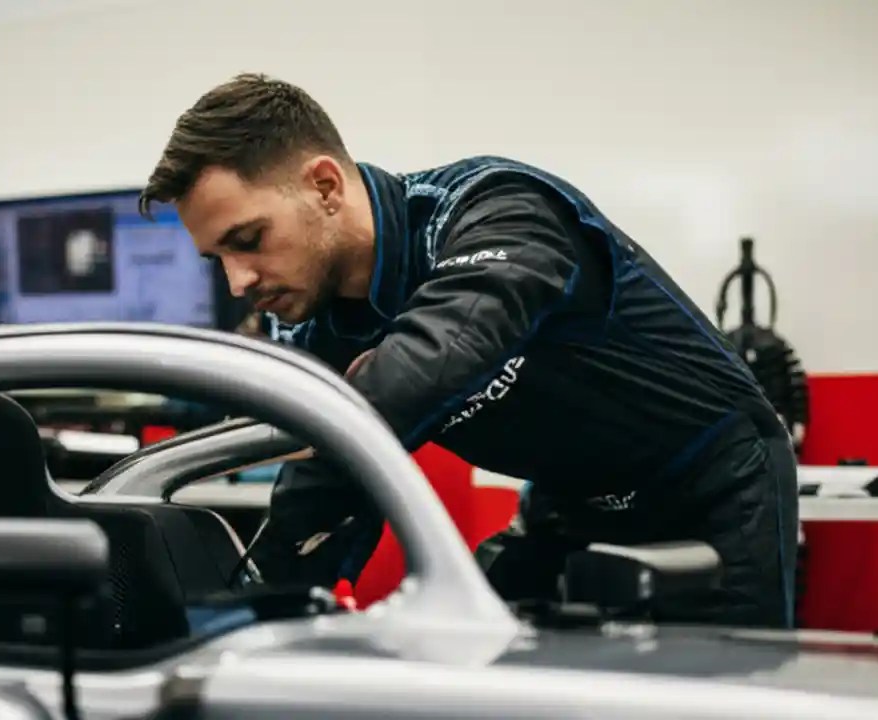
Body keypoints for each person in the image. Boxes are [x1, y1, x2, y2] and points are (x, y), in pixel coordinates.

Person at [138, 73, 799, 628]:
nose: (238, 282)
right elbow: (323, 494)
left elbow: (440, 353)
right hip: (570, 505)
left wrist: (309, 415)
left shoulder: (497, 208)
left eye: (248, 239)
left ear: (325, 186)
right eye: (216, 258)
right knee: (476, 665)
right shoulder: (324, 332)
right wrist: (238, 628)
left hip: (715, 486)